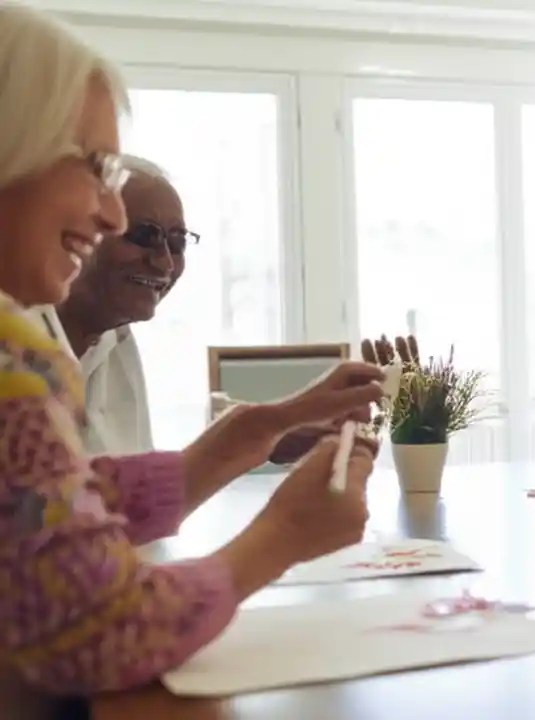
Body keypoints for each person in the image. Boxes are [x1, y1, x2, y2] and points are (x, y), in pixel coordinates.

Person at [0, 3, 383, 695]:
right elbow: (99, 632)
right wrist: (283, 536)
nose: (110, 214)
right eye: (91, 167)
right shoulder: (13, 361)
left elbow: (41, 512)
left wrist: (249, 433)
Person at [28, 155, 191, 455]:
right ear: (80, 235)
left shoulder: (117, 339)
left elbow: (135, 491)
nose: (165, 262)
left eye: (177, 241)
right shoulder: (17, 339)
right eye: (144, 235)